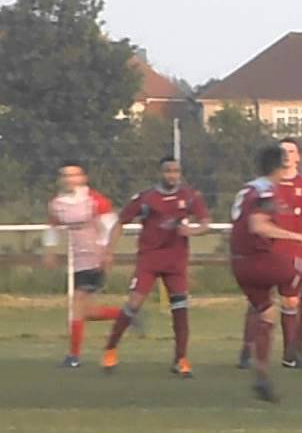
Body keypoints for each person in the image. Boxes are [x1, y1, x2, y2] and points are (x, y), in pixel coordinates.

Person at [101, 156, 211, 376]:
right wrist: (109, 251)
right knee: (133, 303)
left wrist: (193, 230)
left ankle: (181, 359)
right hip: (149, 259)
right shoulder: (146, 198)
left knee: (180, 308)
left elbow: (206, 222)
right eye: (168, 170)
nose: (172, 175)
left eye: (176, 171)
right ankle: (111, 347)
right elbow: (120, 222)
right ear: (160, 173)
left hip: (176, 261)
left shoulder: (189, 196)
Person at [230, 145, 302, 401]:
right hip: (260, 262)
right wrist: (296, 235)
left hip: (239, 265)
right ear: (279, 167)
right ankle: (298, 346)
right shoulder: (266, 189)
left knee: (266, 312)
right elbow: (258, 225)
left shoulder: (247, 188)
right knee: (300, 271)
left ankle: (261, 372)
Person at [45, 161, 121, 368]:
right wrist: (50, 251)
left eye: (74, 175)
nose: (69, 179)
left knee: (77, 304)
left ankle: (73, 356)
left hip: (94, 258)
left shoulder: (94, 200)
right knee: (87, 311)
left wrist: (107, 253)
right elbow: (52, 228)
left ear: (83, 178)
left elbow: (111, 226)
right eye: (65, 175)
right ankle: (126, 315)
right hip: (77, 261)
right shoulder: (57, 204)